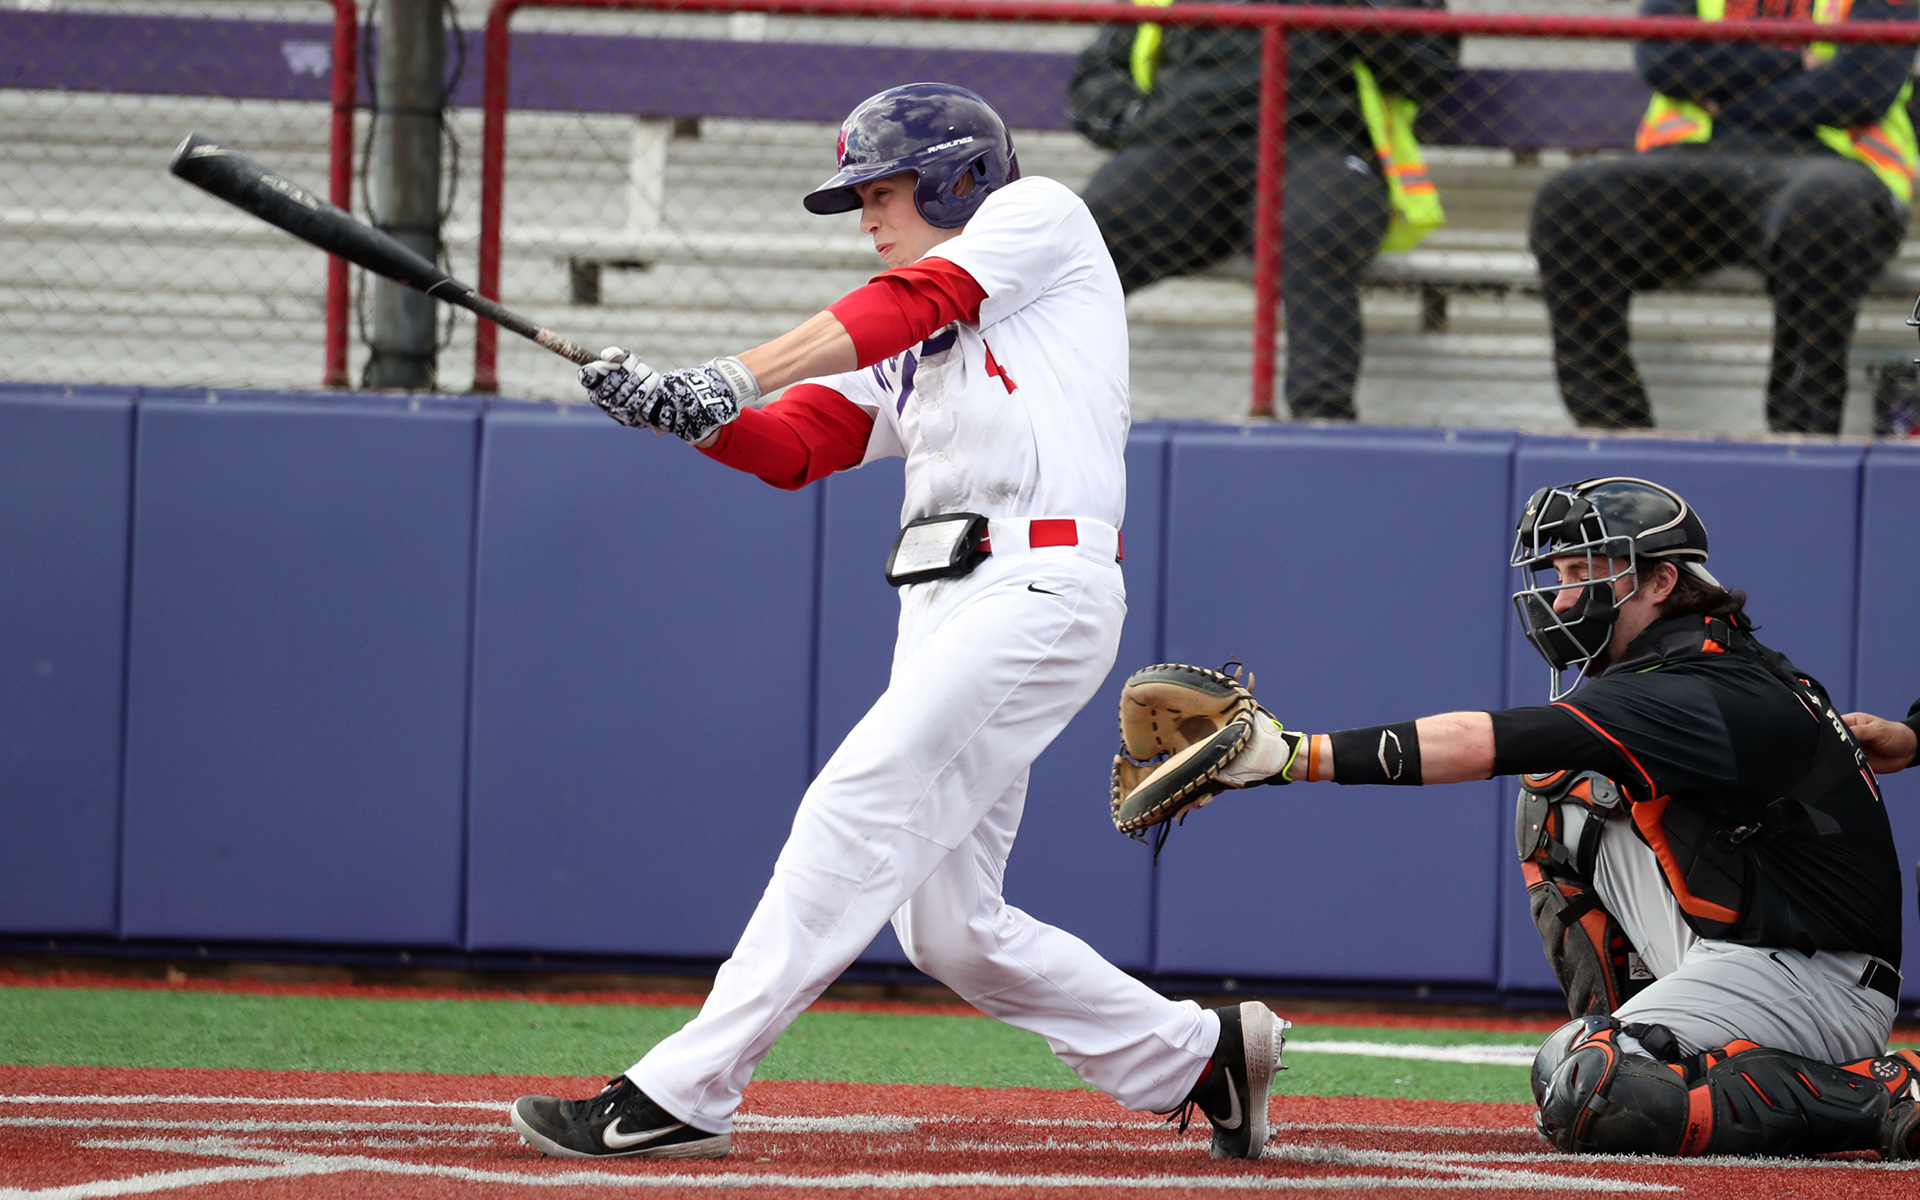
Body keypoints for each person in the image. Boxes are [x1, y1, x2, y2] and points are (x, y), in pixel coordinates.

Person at [505, 82, 1285, 1164]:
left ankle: (685, 1089)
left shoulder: (1038, 217)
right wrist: (675, 412)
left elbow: (907, 302)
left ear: (959, 174)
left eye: (882, 191)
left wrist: (727, 375)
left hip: (1037, 585)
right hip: (946, 605)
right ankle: (1197, 1055)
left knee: (855, 802)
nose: (868, 216)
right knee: (951, 931)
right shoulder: (909, 334)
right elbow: (797, 448)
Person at [1147, 476, 1920, 1157]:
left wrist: (1293, 755)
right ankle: (1644, 1038)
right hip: (1757, 946)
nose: (1563, 594)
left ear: (1658, 582)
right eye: (1560, 573)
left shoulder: (1700, 684)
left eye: (1586, 571)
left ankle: (1879, 1096)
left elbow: (1490, 740)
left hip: (1820, 983)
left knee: (1592, 1090)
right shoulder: (1696, 662)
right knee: (1561, 797)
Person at [1530, 0, 1916, 435]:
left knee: (1826, 205)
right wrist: (1796, 63)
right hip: (1691, 165)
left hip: (1828, 172)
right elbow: (1664, 60)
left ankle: (1801, 440)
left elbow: (1859, 89)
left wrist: (1730, 101)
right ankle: (1616, 435)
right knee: (1568, 200)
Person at [1067, 0, 1457, 420]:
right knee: (1082, 240)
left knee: (1310, 231)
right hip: (1185, 149)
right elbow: (1096, 76)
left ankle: (1321, 426)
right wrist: (1141, 119)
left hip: (1318, 145)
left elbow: (1430, 68)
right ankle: (1047, 415)